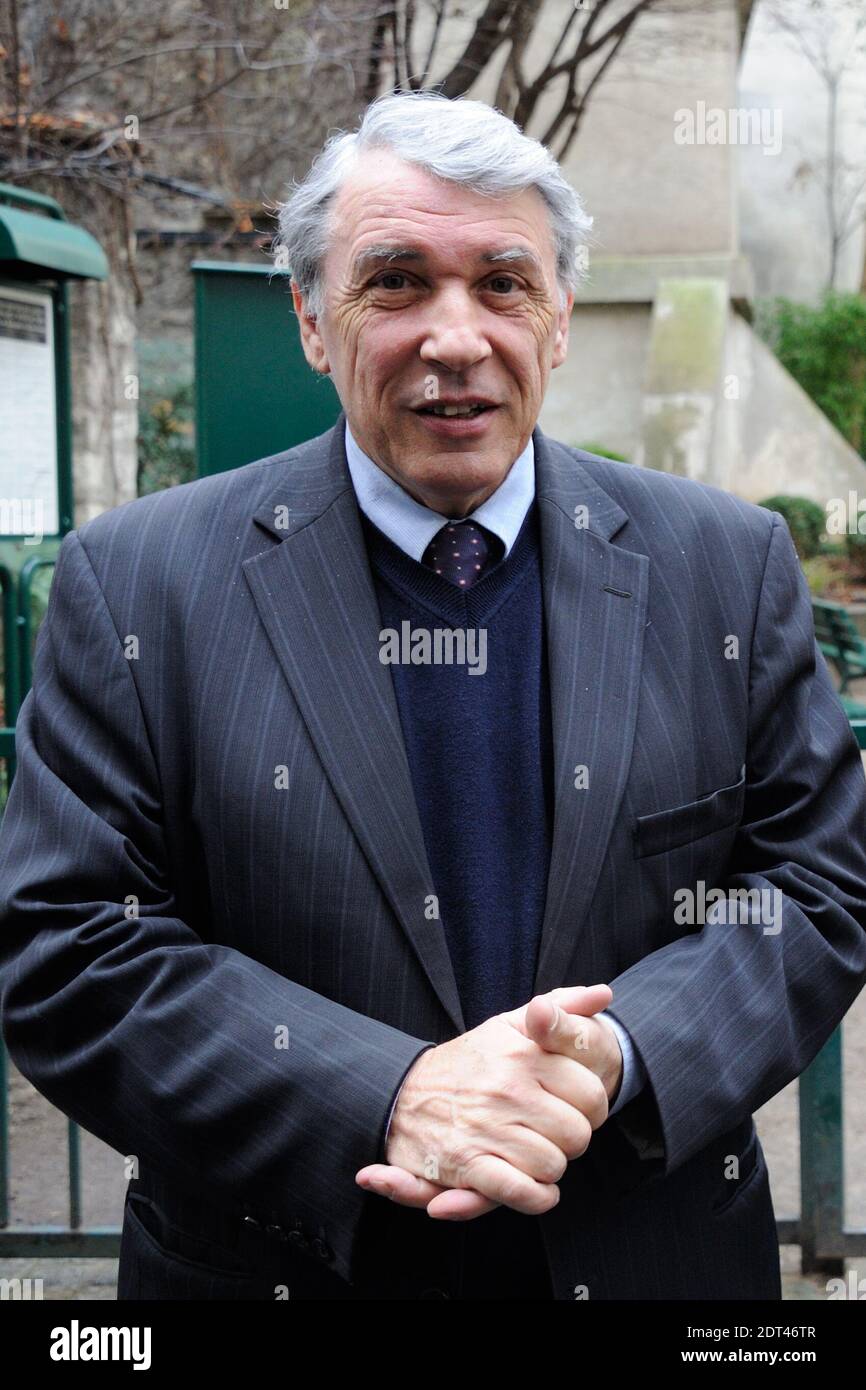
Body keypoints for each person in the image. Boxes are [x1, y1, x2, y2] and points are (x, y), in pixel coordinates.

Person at [1, 90, 865, 1302]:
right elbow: (65, 944)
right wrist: (388, 1091)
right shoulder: (137, 585)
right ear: (310, 316)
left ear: (558, 316)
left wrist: (616, 1055)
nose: (453, 337)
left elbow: (810, 888)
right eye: (395, 281)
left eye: (502, 283)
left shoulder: (724, 566)